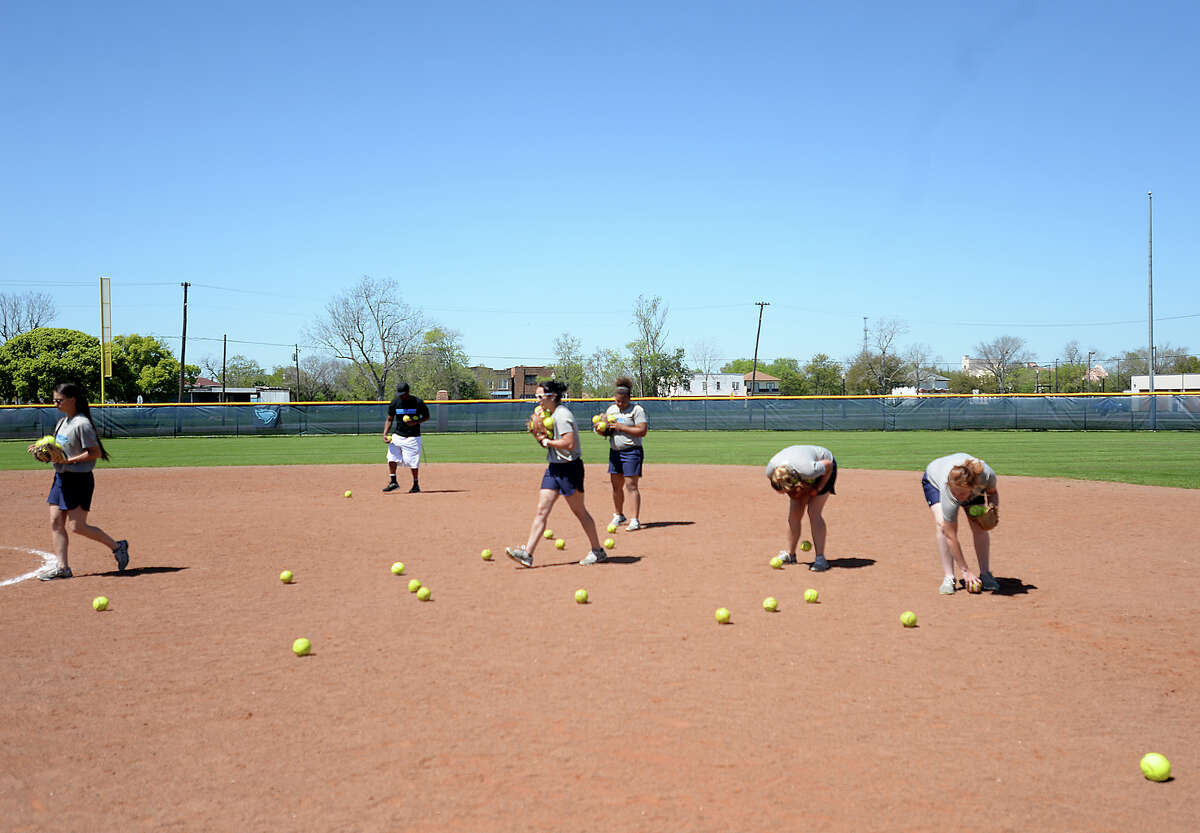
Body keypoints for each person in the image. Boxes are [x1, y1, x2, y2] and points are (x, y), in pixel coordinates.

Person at [29, 382, 129, 580]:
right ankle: (63, 568)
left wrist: (69, 460)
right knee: (56, 522)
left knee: (77, 527)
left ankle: (118, 546)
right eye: (54, 400)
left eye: (59, 400)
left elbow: (95, 453)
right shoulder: (62, 422)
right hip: (61, 478)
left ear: (72, 400)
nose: (55, 404)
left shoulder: (82, 424)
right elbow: (57, 449)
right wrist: (42, 450)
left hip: (79, 480)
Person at [506, 380, 606, 567]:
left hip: (570, 469)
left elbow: (569, 444)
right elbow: (546, 440)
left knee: (579, 511)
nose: (537, 400)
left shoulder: (562, 415)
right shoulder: (548, 415)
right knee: (541, 510)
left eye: (540, 397)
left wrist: (547, 442)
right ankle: (527, 553)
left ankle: (597, 551)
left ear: (552, 397)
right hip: (554, 468)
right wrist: (538, 435)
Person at [922, 453, 1000, 594]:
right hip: (934, 481)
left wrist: (993, 511)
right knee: (942, 526)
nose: (959, 499)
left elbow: (992, 493)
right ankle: (949, 577)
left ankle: (985, 573)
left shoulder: (986, 476)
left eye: (961, 495)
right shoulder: (949, 492)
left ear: (972, 487)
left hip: (972, 488)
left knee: (979, 526)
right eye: (956, 494)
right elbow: (951, 536)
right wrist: (966, 571)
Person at [766, 445, 837, 572]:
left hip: (825, 468)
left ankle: (820, 558)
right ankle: (790, 555)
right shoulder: (770, 471)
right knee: (794, 514)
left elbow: (828, 465)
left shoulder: (809, 470)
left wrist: (818, 488)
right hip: (799, 468)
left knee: (813, 512)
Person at [603, 377, 649, 531]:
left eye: (622, 401)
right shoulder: (611, 410)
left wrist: (621, 427)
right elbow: (607, 431)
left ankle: (635, 519)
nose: (619, 404)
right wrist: (601, 429)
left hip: (632, 452)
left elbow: (642, 431)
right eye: (617, 401)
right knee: (616, 487)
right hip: (615, 452)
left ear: (629, 398)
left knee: (631, 485)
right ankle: (618, 515)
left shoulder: (637, 410)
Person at [382, 382, 430, 493]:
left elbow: (427, 416)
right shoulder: (395, 402)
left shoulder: (418, 402)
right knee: (391, 458)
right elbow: (389, 419)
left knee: (412, 462)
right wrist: (385, 433)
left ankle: (415, 484)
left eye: (403, 394)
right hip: (397, 436)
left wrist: (415, 422)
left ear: (408, 392)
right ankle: (393, 481)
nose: (401, 396)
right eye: (399, 394)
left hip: (413, 437)